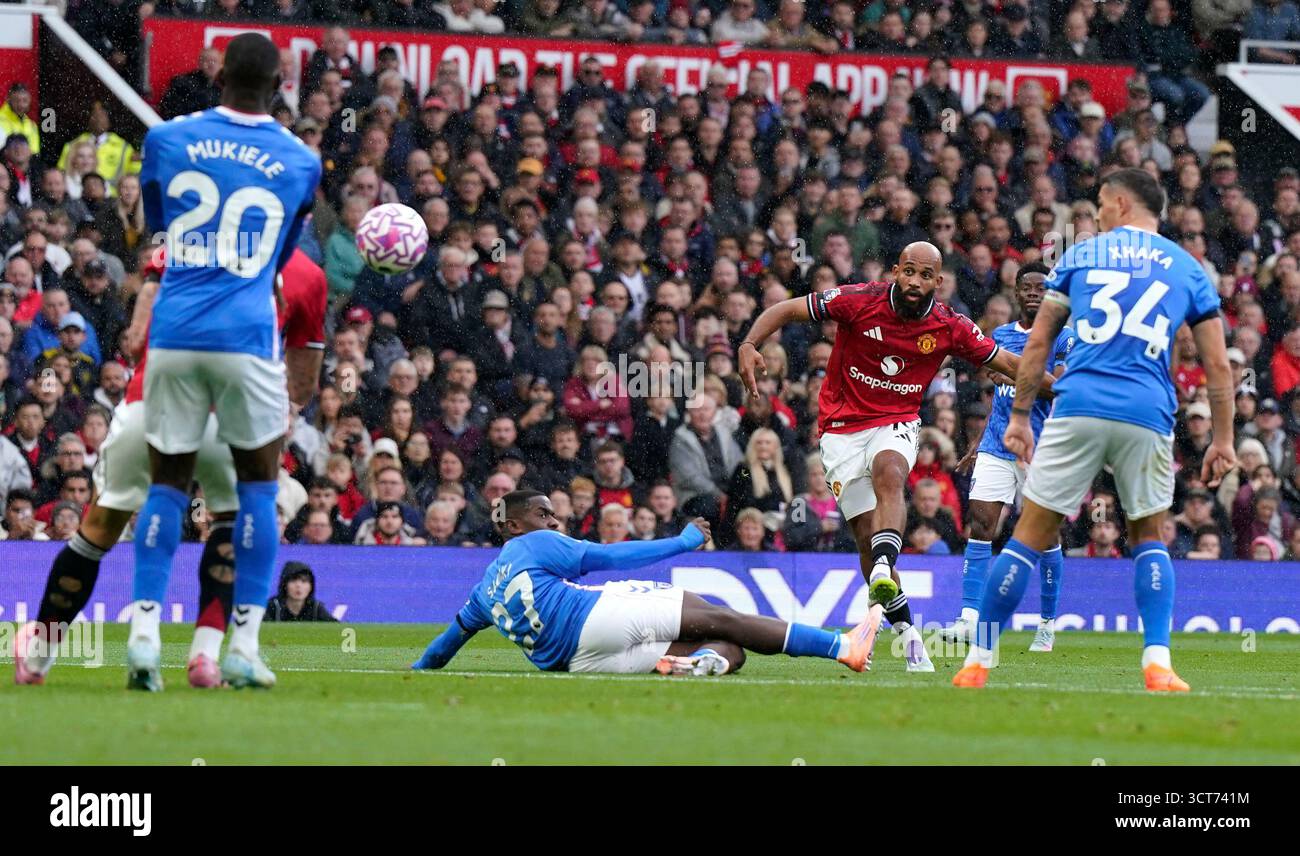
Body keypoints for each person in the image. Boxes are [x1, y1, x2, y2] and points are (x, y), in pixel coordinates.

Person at [953, 168, 1237, 692]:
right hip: (1148, 412)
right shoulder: (1186, 266)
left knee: (1028, 535)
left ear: (1124, 204)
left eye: (1104, 204)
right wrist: (1223, 439)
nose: (1098, 214)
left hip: (1078, 405)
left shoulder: (1082, 256)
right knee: (1148, 536)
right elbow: (1218, 367)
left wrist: (1018, 418)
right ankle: (1157, 661)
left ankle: (977, 661)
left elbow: (1037, 344)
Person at [13, 246, 326, 687]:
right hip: (232, 416)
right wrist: (284, 408)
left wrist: (140, 333)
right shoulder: (308, 274)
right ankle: (205, 655)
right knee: (231, 521)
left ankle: (42, 655)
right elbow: (304, 372)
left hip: (154, 401)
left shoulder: (193, 239)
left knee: (100, 528)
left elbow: (144, 306)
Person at [737, 241, 1048, 672]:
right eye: (909, 271)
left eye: (926, 276)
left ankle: (885, 564)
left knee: (890, 472)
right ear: (897, 270)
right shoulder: (858, 300)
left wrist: (1067, 388)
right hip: (840, 431)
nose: (915, 282)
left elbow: (1011, 363)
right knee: (866, 539)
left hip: (896, 421)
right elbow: (787, 309)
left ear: (938, 282)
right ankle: (908, 636)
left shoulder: (949, 325)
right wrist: (750, 342)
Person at [124, 33, 321, 691]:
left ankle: (145, 639)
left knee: (166, 485)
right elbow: (278, 258)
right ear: (280, 84)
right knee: (258, 489)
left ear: (217, 78)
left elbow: (158, 228)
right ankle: (241, 646)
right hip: (246, 336)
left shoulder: (166, 139)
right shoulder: (300, 161)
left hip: (175, 330)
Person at [412, 490, 877, 676]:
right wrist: (682, 541)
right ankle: (840, 648)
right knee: (723, 617)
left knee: (723, 643)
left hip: (573, 664)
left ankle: (701, 666)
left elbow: (444, 646)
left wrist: (418, 674)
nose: (553, 521)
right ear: (515, 527)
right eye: (541, 514)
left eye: (552, 512)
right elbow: (611, 557)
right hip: (591, 619)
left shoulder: (482, 591)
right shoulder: (532, 546)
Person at [942, 262, 1074, 652]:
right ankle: (968, 619)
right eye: (1026, 287)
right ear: (1016, 293)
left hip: (1041, 449)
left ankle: (1047, 624)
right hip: (996, 445)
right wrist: (976, 443)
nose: (1033, 293)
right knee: (981, 525)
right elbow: (999, 401)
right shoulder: (1000, 335)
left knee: (1046, 535)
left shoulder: (1062, 338)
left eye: (1041, 288)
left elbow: (1060, 390)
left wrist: (1017, 374)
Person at [264, 562, 338, 622]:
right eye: (293, 581)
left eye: (304, 581)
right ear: (284, 585)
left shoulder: (315, 607)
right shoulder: (273, 606)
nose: (298, 586)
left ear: (311, 586)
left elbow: (335, 628)